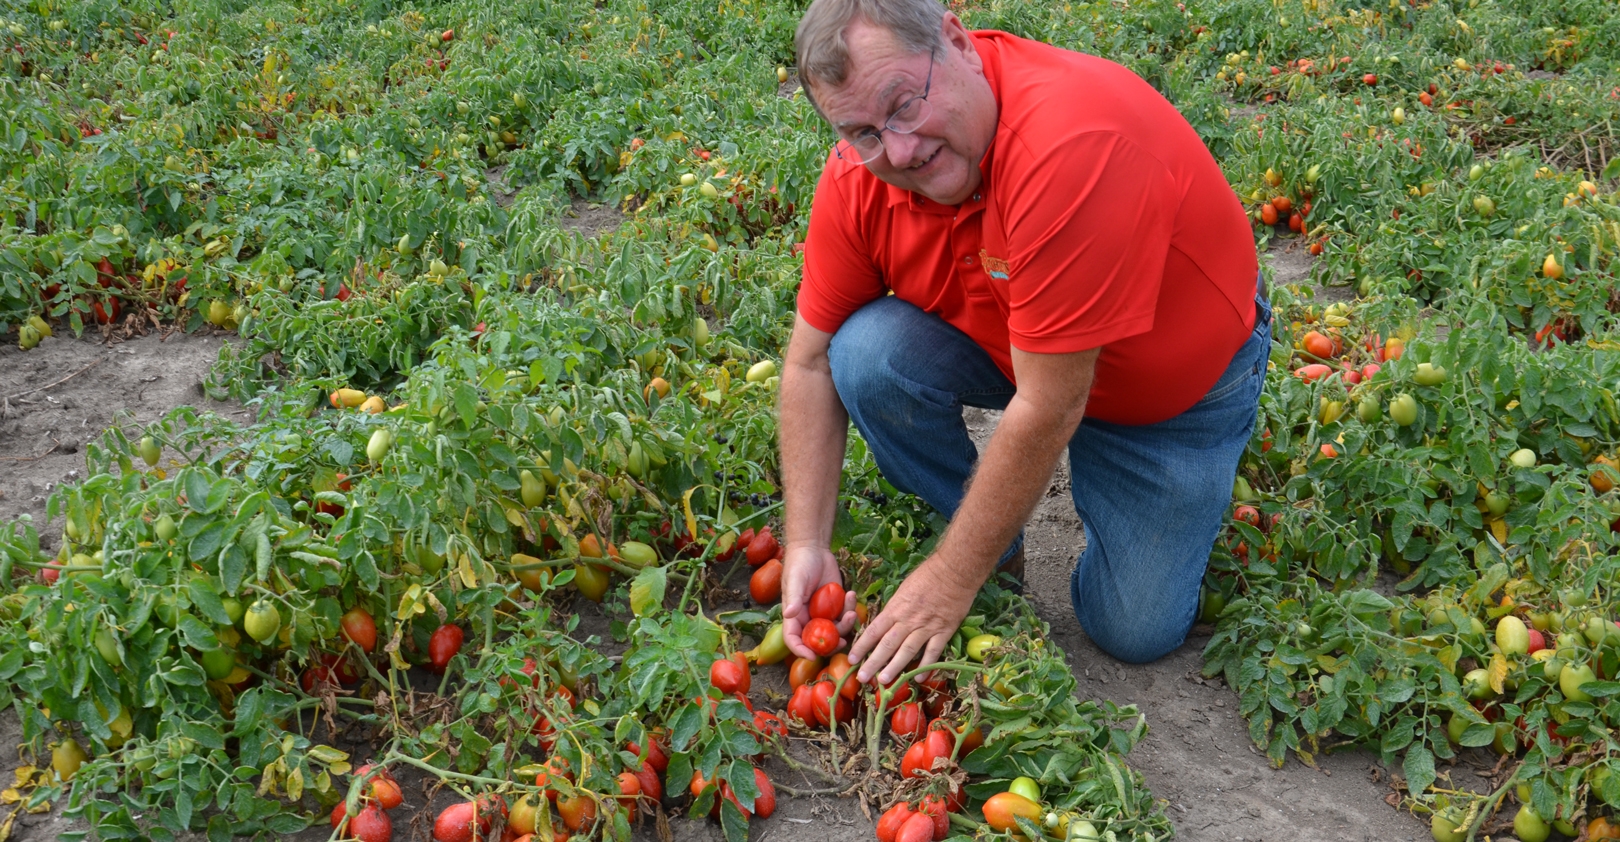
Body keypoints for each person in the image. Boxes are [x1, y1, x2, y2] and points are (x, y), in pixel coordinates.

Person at [776, 0, 1269, 686]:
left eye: (905, 105)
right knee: (862, 354)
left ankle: (1018, 530)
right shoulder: (861, 175)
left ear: (956, 40)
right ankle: (994, 544)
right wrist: (805, 543)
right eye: (861, 130)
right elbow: (806, 364)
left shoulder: (1070, 144)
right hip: (1023, 347)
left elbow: (1048, 406)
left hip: (1167, 401)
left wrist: (948, 581)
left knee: (1131, 629)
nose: (899, 150)